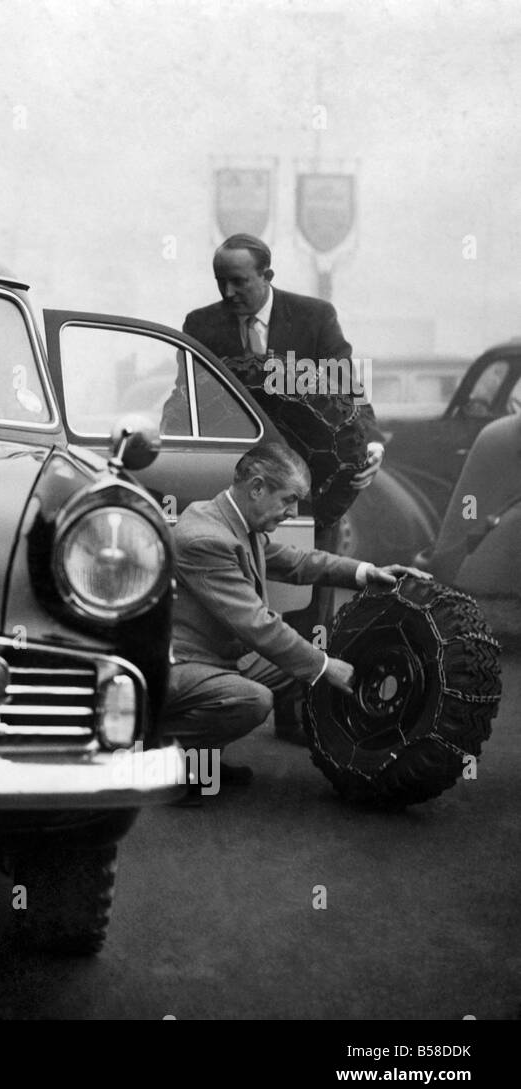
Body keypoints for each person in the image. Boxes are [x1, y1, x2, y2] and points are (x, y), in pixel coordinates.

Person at [180, 233, 387, 740]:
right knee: (251, 594)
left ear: (267, 277)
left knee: (308, 597)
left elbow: (347, 390)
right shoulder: (200, 325)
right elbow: (185, 398)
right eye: (221, 282)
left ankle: (301, 720)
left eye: (240, 281)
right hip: (245, 480)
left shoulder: (315, 317)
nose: (229, 292)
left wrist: (371, 443)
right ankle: (217, 709)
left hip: (312, 483)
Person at [160, 442, 429, 804]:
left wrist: (367, 572)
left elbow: (298, 562)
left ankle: (202, 760)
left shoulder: (233, 520)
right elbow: (256, 624)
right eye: (289, 500)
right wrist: (323, 666)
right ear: (257, 488)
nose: (292, 512)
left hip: (219, 655)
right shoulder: (206, 538)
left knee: (295, 668)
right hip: (181, 666)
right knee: (253, 700)